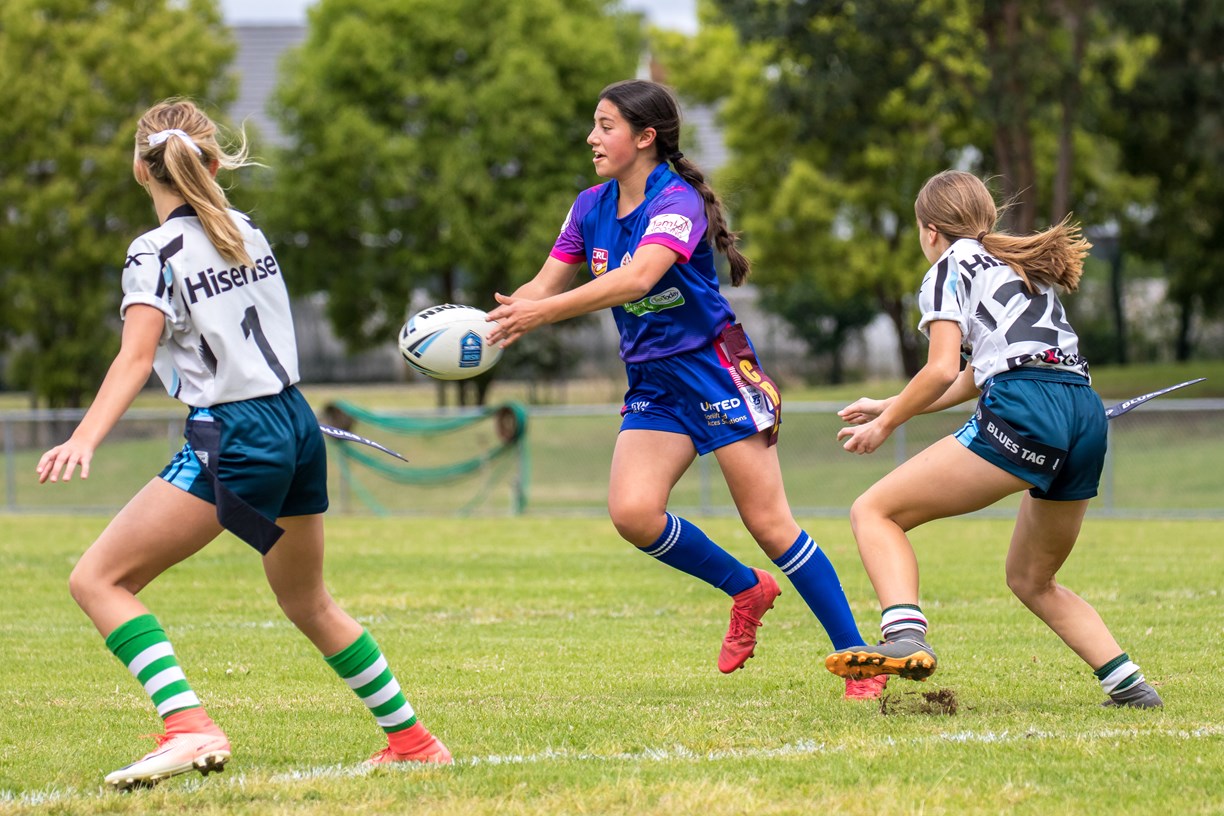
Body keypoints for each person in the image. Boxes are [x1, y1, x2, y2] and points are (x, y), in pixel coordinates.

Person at [36, 99, 451, 792]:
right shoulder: (246, 229)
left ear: (142, 169)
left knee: (98, 580)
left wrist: (84, 436)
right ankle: (413, 740)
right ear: (214, 161)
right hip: (295, 421)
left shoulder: (154, 250)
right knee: (308, 600)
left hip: (238, 431)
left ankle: (187, 724)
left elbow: (135, 358)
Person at [486, 79, 885, 701]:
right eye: (594, 125)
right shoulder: (588, 205)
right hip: (653, 380)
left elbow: (637, 277)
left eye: (606, 125)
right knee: (634, 515)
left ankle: (858, 662)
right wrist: (486, 324)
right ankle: (746, 588)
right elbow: (542, 284)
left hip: (712, 370)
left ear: (645, 138)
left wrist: (543, 314)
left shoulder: (677, 201)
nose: (592, 137)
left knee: (772, 525)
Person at [823, 169, 1163, 709]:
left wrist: (885, 427)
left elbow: (938, 371)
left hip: (1027, 405)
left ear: (929, 230)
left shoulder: (946, 269)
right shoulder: (1017, 264)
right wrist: (890, 404)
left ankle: (906, 636)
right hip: (1083, 411)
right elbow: (975, 374)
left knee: (874, 512)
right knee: (1031, 578)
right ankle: (1130, 687)